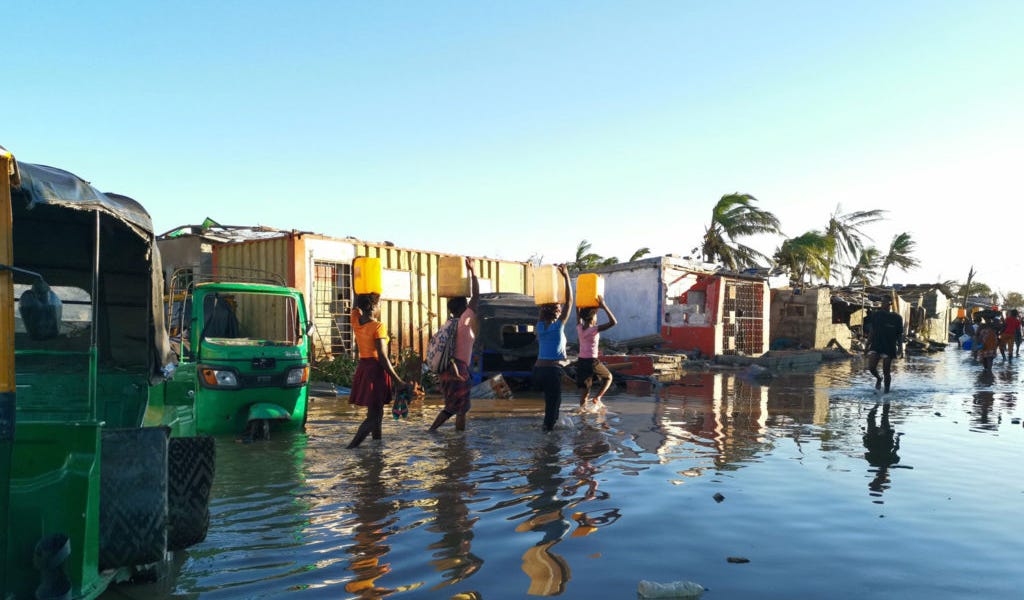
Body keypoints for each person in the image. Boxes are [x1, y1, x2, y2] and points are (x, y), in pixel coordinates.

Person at [347, 292, 406, 449]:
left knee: (375, 412)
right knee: (375, 416)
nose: (380, 307)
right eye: (379, 304)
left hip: (363, 368)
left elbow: (355, 306)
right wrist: (398, 380)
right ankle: (351, 447)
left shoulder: (356, 320)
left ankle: (376, 445)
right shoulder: (378, 326)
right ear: (373, 307)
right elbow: (382, 357)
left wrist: (359, 290)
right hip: (376, 371)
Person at [429, 258, 480, 432]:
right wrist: (472, 271)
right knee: (461, 410)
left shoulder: (449, 323)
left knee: (451, 406)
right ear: (464, 307)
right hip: (458, 370)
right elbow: (476, 297)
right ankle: (460, 441)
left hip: (446, 371)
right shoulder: (464, 321)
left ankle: (431, 431)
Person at [532, 264, 573, 432]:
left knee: (553, 404)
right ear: (557, 313)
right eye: (559, 308)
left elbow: (542, 310)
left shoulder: (540, 326)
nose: (561, 309)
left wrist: (546, 303)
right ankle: (548, 440)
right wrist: (566, 275)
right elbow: (570, 301)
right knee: (553, 405)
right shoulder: (558, 326)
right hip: (550, 371)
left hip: (537, 371)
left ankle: (548, 430)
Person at [575, 295, 617, 413]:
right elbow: (614, 322)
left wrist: (579, 301)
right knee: (609, 377)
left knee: (584, 393)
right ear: (592, 318)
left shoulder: (579, 327)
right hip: (592, 362)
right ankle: (597, 397)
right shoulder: (594, 329)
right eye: (596, 315)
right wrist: (604, 306)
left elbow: (577, 312)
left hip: (581, 362)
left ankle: (582, 417)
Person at [865, 296, 903, 393]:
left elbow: (899, 334)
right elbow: (872, 330)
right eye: (882, 302)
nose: (883, 304)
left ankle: (886, 392)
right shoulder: (876, 315)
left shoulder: (897, 318)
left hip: (889, 346)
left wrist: (900, 348)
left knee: (886, 371)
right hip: (876, 344)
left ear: (890, 304)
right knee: (871, 367)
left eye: (885, 302)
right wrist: (867, 345)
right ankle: (878, 378)